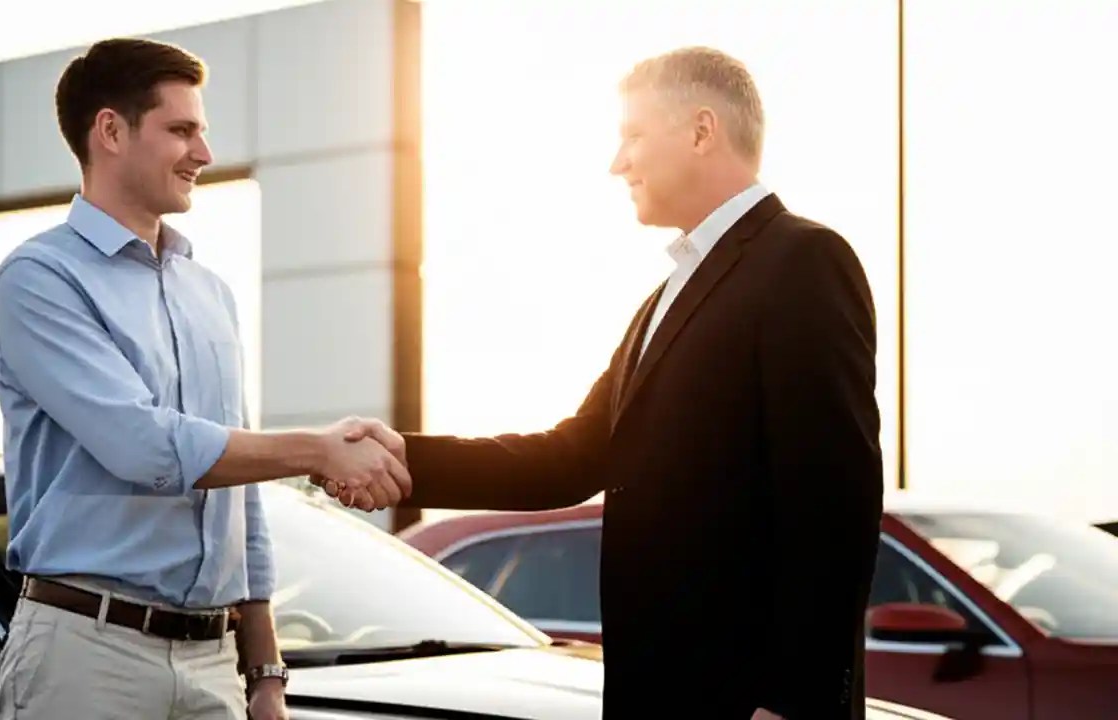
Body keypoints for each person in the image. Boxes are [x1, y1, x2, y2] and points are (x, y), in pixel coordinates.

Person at [325, 46, 884, 720]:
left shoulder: (803, 260)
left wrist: (796, 700)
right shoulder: (667, 295)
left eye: (632, 136)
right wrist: (400, 457)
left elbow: (835, 501)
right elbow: (569, 459)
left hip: (749, 703)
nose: (618, 163)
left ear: (702, 131)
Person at [0, 37, 409, 720]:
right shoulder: (39, 281)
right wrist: (317, 449)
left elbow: (239, 495)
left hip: (214, 662)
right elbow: (142, 445)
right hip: (88, 662)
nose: (203, 154)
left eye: (201, 132)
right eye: (181, 130)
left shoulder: (209, 293)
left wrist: (265, 670)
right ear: (111, 131)